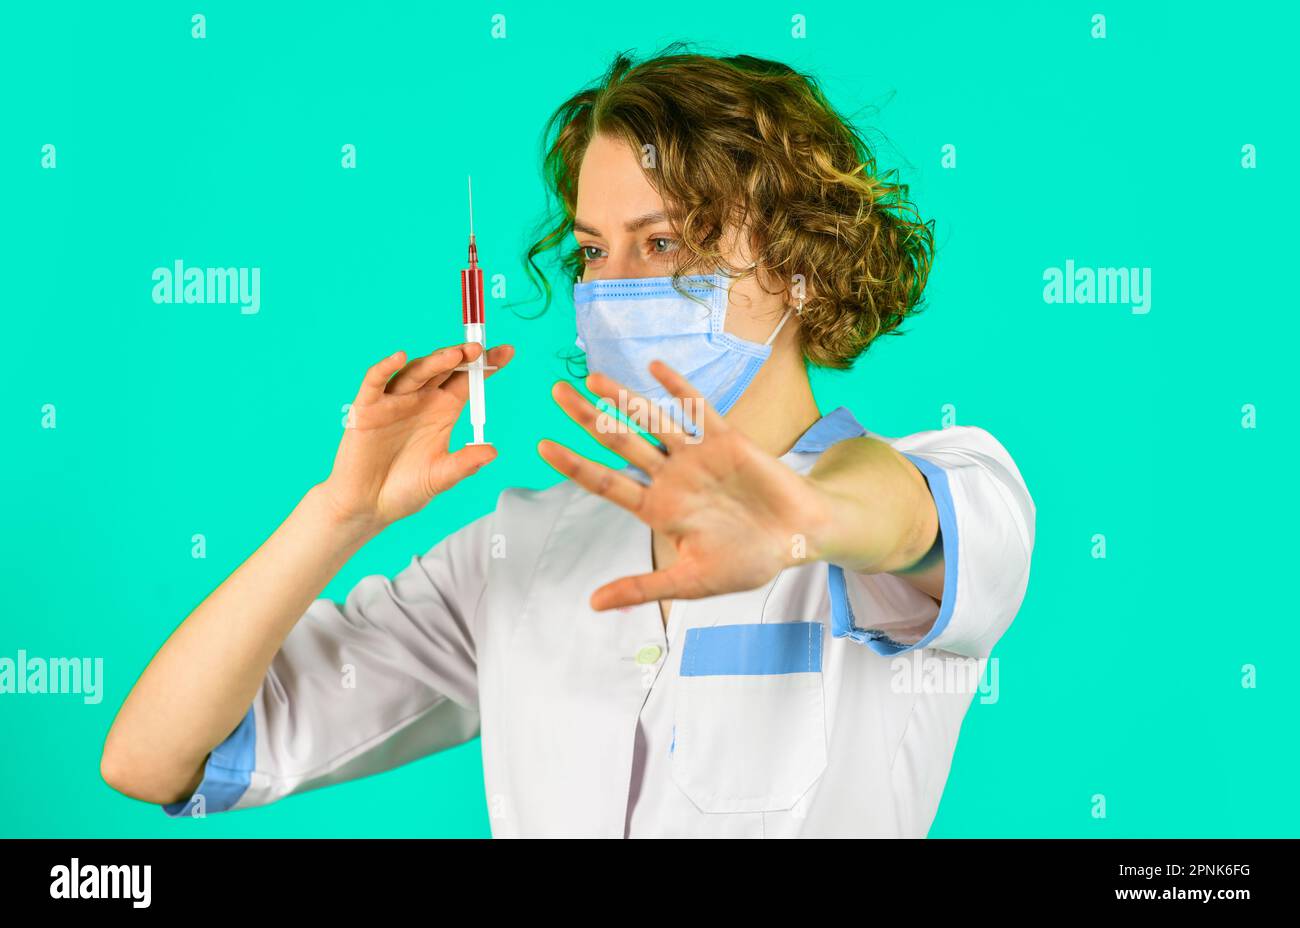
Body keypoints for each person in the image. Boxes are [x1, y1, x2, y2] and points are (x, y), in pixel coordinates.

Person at [101, 49, 1035, 837]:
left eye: (663, 243)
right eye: (593, 251)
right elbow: (156, 760)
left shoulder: (940, 490)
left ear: (797, 263)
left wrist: (803, 524)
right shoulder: (522, 552)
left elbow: (905, 517)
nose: (612, 288)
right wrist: (340, 514)